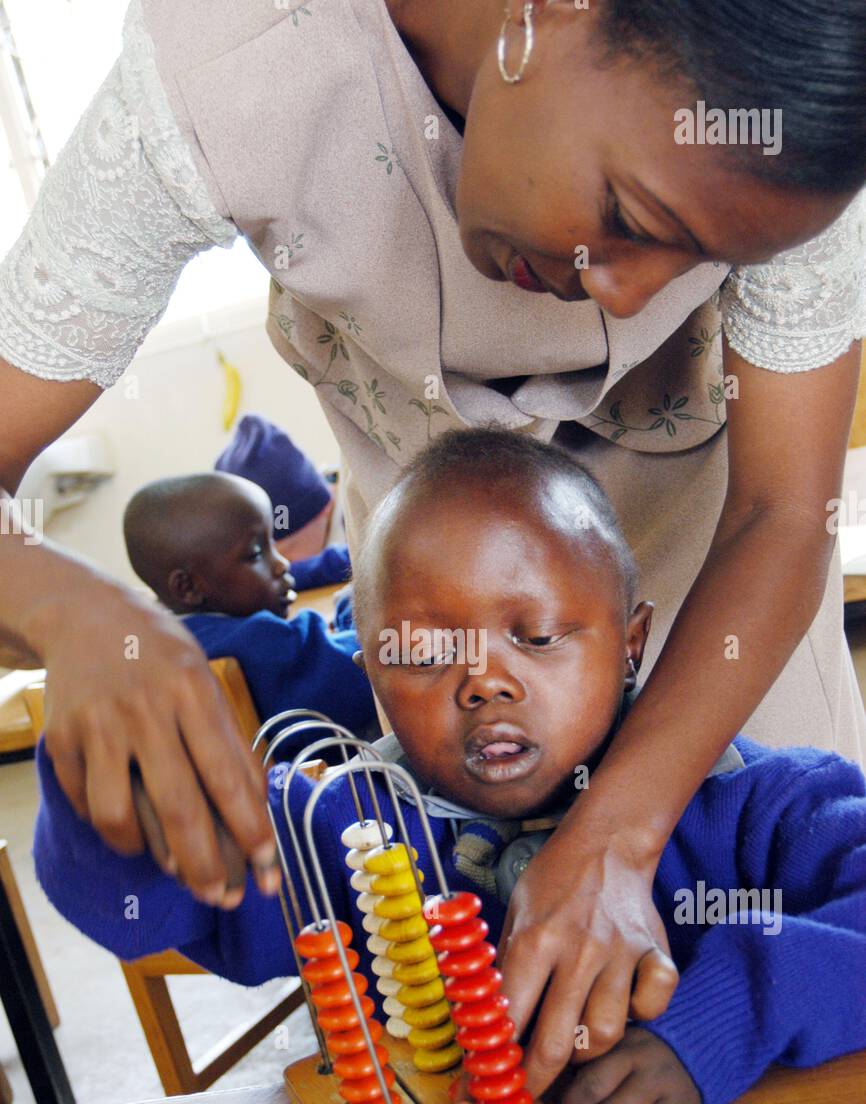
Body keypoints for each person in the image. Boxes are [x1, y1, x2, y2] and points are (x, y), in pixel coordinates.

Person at [3, 0, 866, 1049]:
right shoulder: (229, 60)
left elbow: (781, 512)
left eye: (699, 265)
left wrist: (627, 842)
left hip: (721, 621)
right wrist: (80, 618)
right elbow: (141, 885)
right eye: (631, 216)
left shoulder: (754, 810)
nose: (636, 293)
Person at [33, 427, 866, 1104]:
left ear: (631, 642)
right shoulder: (344, 834)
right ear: (368, 668)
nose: (484, 681)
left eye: (535, 636)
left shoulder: (753, 802)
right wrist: (110, 787)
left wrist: (719, 1026)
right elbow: (139, 902)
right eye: (423, 651)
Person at [122, 471, 377, 752]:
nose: (281, 564)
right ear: (188, 588)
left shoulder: (155, 641)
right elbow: (367, 671)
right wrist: (353, 608)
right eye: (257, 553)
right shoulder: (257, 642)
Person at [213, 413, 352, 587]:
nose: (278, 565)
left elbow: (365, 560)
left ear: (324, 507)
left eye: (285, 553)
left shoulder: (358, 511)